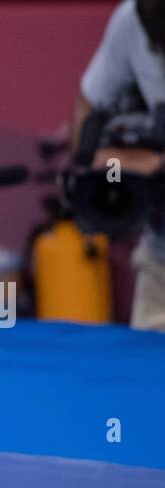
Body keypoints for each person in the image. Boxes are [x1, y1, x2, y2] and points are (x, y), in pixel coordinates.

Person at [74, 0, 165, 331]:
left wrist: (156, 161)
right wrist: (94, 163)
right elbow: (88, 105)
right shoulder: (132, 21)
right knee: (143, 380)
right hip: (160, 266)